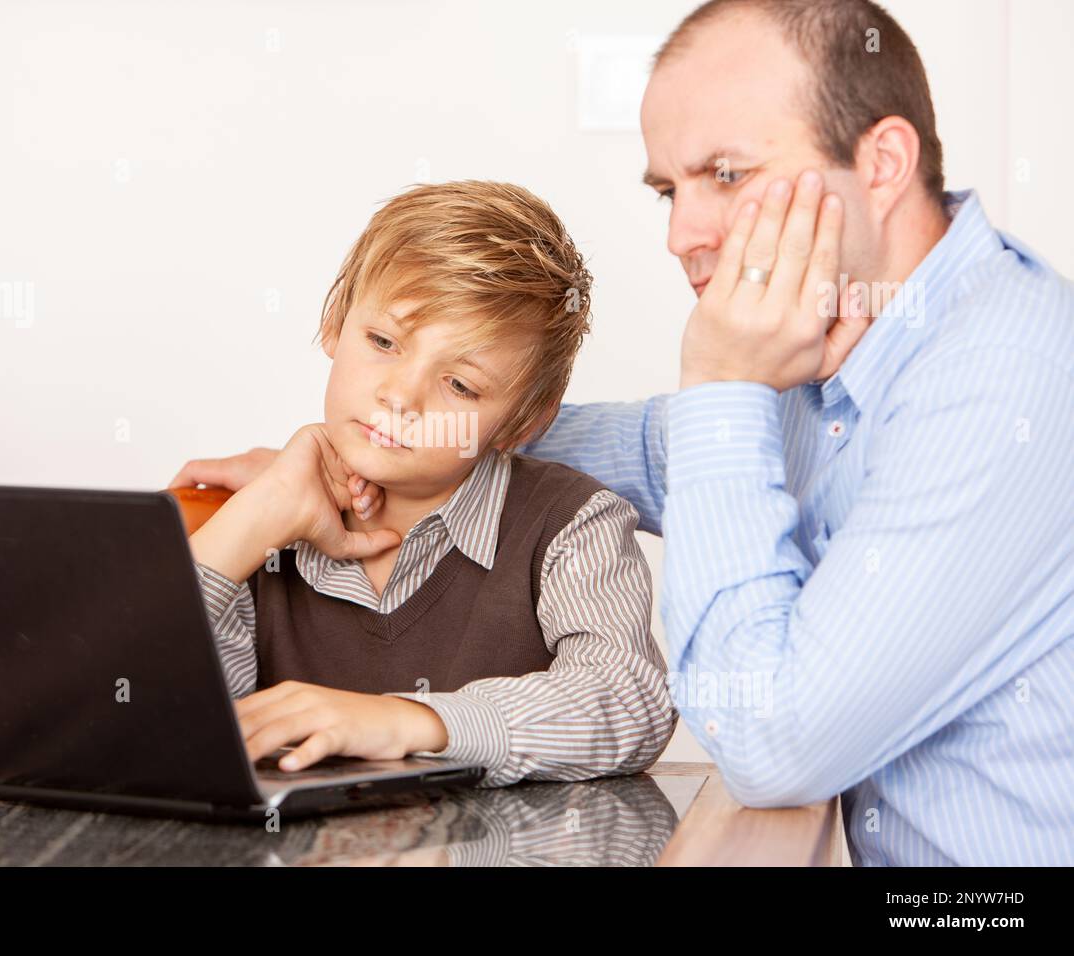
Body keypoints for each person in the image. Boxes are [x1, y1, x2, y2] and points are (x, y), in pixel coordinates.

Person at [178, 1, 1074, 865]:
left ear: (881, 163)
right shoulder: (828, 373)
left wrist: (725, 381)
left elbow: (770, 745)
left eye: (727, 174)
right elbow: (609, 447)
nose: (684, 234)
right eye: (667, 192)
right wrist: (370, 457)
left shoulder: (1006, 379)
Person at [180, 180, 676, 786]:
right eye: (383, 342)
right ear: (335, 323)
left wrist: (411, 720)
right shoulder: (250, 522)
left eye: (460, 385)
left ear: (525, 421)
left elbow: (629, 702)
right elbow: (110, 714)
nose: (400, 396)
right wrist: (253, 522)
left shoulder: (573, 524)